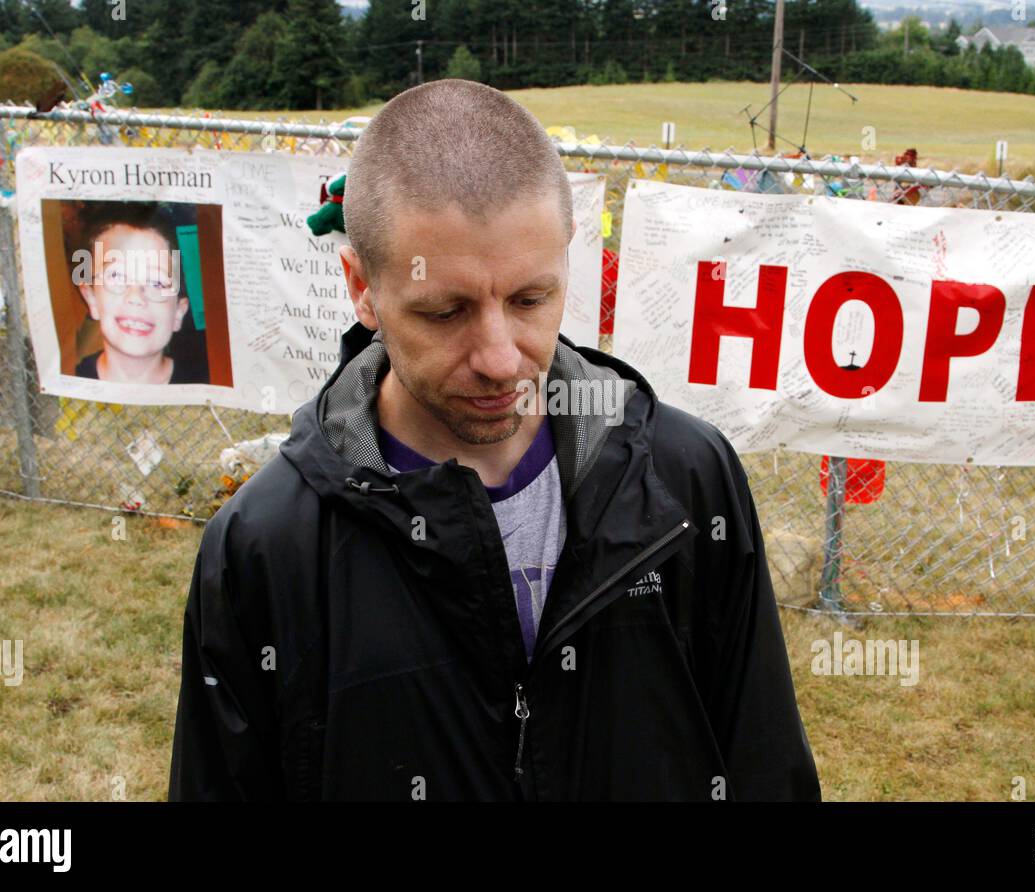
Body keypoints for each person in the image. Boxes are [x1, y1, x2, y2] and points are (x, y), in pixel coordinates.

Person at [168, 79, 820, 802]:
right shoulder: (266, 545)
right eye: (446, 311)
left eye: (530, 299)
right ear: (361, 286)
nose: (502, 358)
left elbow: (763, 763)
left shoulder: (684, 480)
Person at [73, 203, 198, 385]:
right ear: (91, 298)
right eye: (116, 276)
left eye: (156, 282)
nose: (136, 297)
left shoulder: (207, 390)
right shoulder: (68, 386)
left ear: (179, 312)